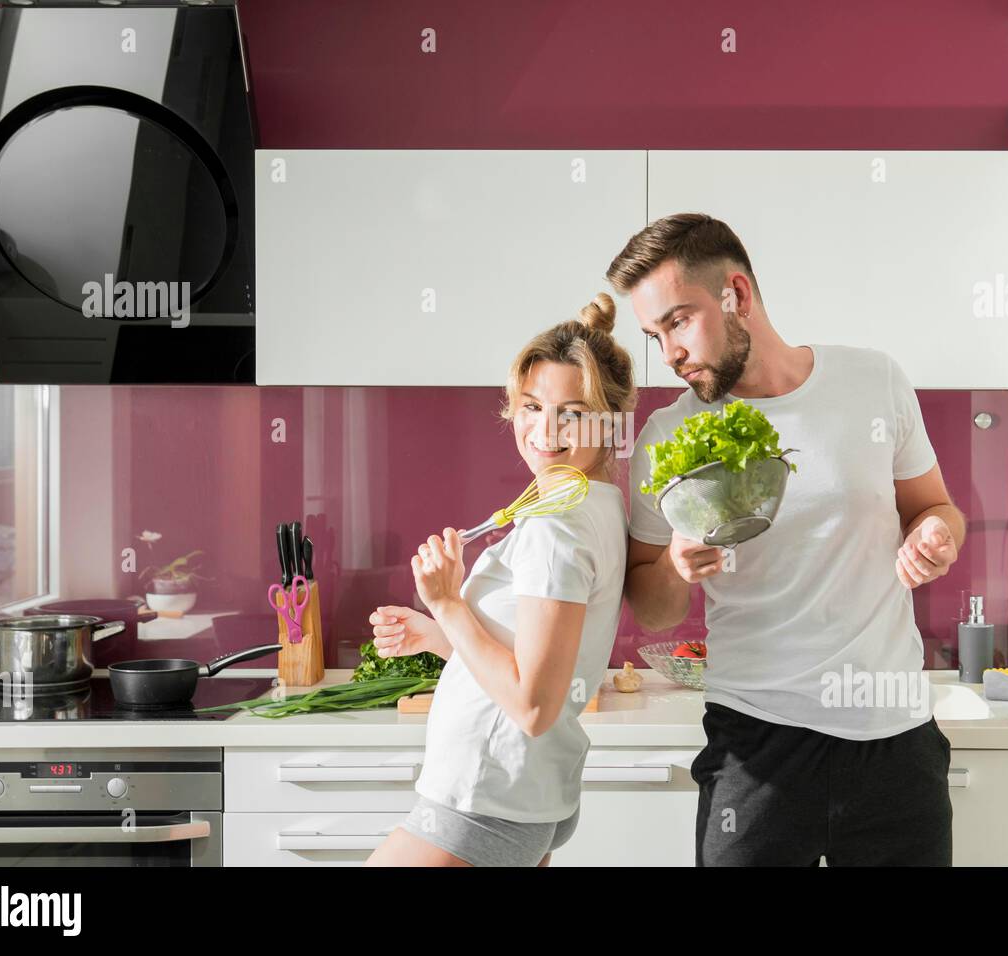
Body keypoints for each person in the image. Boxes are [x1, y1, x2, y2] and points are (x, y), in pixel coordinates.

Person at [609, 213, 966, 866]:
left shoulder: (872, 382)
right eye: (654, 335)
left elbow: (936, 507)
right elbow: (652, 606)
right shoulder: (667, 436)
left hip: (892, 735)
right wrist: (678, 567)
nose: (670, 354)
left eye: (678, 322)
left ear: (736, 295)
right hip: (754, 745)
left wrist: (937, 533)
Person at [364, 293, 636, 867]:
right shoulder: (601, 504)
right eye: (532, 405)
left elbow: (534, 705)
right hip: (523, 793)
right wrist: (439, 638)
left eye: (573, 412)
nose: (544, 428)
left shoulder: (556, 526)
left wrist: (447, 605)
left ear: (609, 422)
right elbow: (537, 651)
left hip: (482, 796)